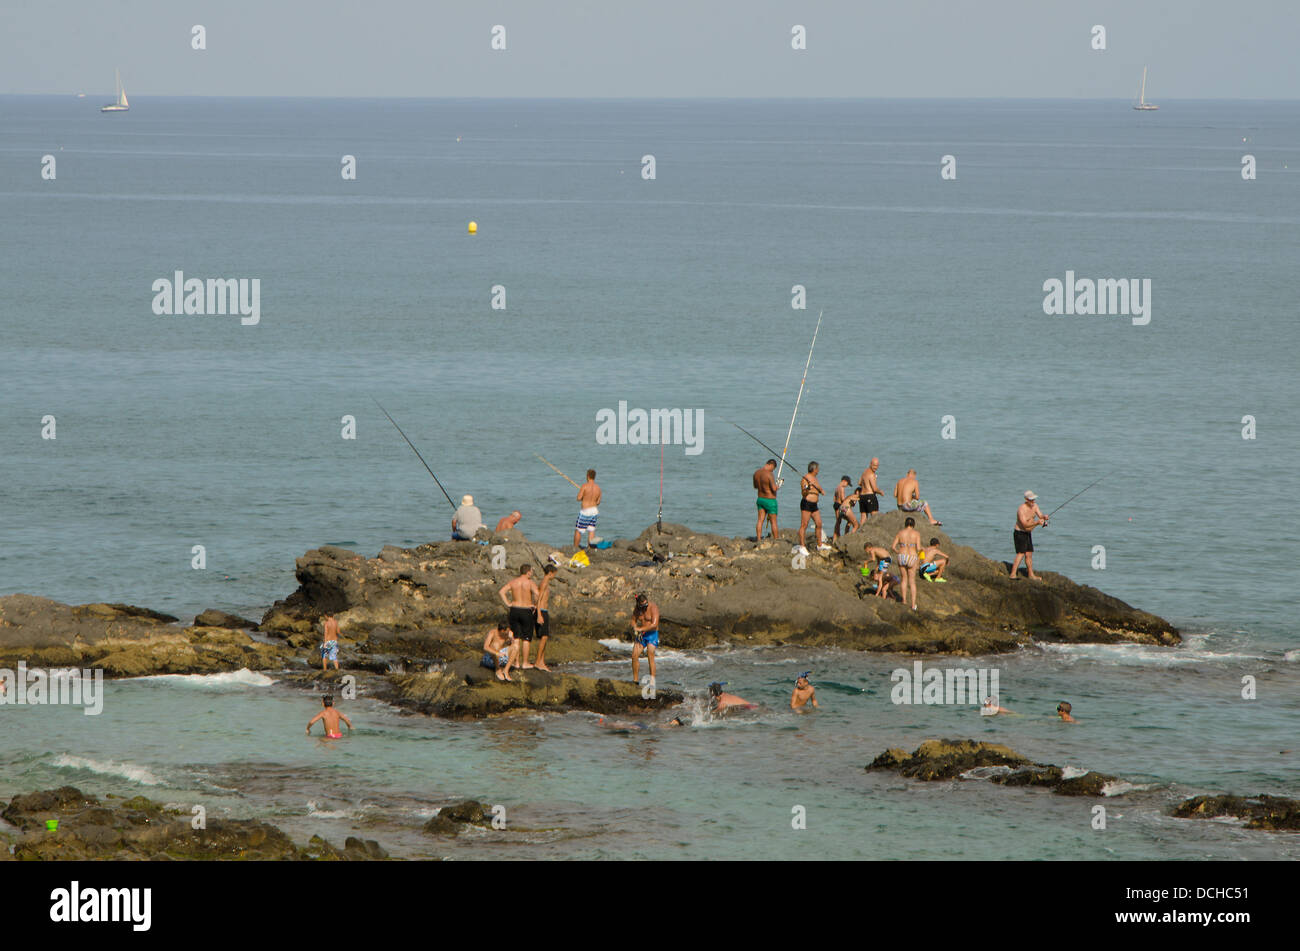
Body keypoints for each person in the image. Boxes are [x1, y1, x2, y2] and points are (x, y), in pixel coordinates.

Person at [498, 564, 539, 666]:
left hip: (514, 609)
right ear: (528, 572)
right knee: (526, 638)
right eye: (531, 572)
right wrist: (534, 604)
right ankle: (525, 663)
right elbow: (537, 594)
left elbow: (501, 591)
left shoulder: (513, 582)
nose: (532, 573)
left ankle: (516, 662)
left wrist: (508, 603)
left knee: (515, 637)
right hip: (526, 610)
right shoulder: (530, 583)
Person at [1010, 490, 1049, 580]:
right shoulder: (1021, 509)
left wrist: (1044, 517)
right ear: (1026, 499)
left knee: (1029, 554)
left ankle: (1031, 575)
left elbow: (1040, 515)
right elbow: (1024, 524)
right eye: (1031, 500)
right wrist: (1037, 523)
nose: (1033, 501)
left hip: (1028, 533)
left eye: (1034, 499)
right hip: (1020, 533)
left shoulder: (1035, 506)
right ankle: (1012, 574)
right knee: (1021, 553)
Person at [892, 516, 924, 610]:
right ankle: (913, 605)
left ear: (905, 524)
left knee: (904, 579)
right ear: (913, 524)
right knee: (912, 581)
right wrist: (923, 550)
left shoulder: (900, 533)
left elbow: (893, 547)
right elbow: (918, 548)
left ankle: (904, 601)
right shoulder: (916, 533)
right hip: (912, 556)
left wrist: (899, 552)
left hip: (902, 556)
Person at [797, 461, 829, 552]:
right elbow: (803, 493)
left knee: (819, 523)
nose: (818, 470)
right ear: (814, 469)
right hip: (807, 503)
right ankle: (802, 546)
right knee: (804, 525)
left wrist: (821, 491)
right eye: (818, 469)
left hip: (814, 505)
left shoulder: (814, 478)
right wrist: (807, 489)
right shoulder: (805, 479)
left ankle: (819, 545)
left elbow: (818, 488)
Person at [630, 593, 659, 684]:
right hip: (642, 635)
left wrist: (640, 629)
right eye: (643, 606)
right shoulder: (637, 609)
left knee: (650, 655)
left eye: (646, 605)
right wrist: (634, 628)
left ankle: (652, 682)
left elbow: (654, 625)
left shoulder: (653, 607)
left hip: (652, 634)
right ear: (639, 604)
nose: (645, 608)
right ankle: (635, 680)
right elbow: (633, 621)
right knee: (634, 655)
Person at [533, 564, 557, 671]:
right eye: (554, 574)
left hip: (544, 611)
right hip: (541, 611)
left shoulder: (545, 582)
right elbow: (538, 599)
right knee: (544, 637)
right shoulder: (544, 583)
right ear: (550, 573)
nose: (555, 576)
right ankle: (538, 662)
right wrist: (538, 614)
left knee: (545, 637)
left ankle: (541, 661)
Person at [753, 458, 781, 542]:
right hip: (770, 501)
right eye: (773, 468)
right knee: (773, 522)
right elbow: (774, 489)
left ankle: (758, 539)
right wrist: (778, 485)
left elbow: (755, 486)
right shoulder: (769, 474)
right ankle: (776, 540)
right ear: (771, 465)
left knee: (760, 520)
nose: (773, 470)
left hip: (760, 499)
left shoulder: (756, 473)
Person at [574, 470, 602, 550]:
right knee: (591, 530)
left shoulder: (584, 486)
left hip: (585, 511)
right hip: (594, 511)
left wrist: (584, 497)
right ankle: (590, 548)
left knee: (578, 530)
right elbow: (598, 502)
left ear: (588, 476)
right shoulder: (598, 488)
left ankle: (575, 548)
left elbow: (578, 498)